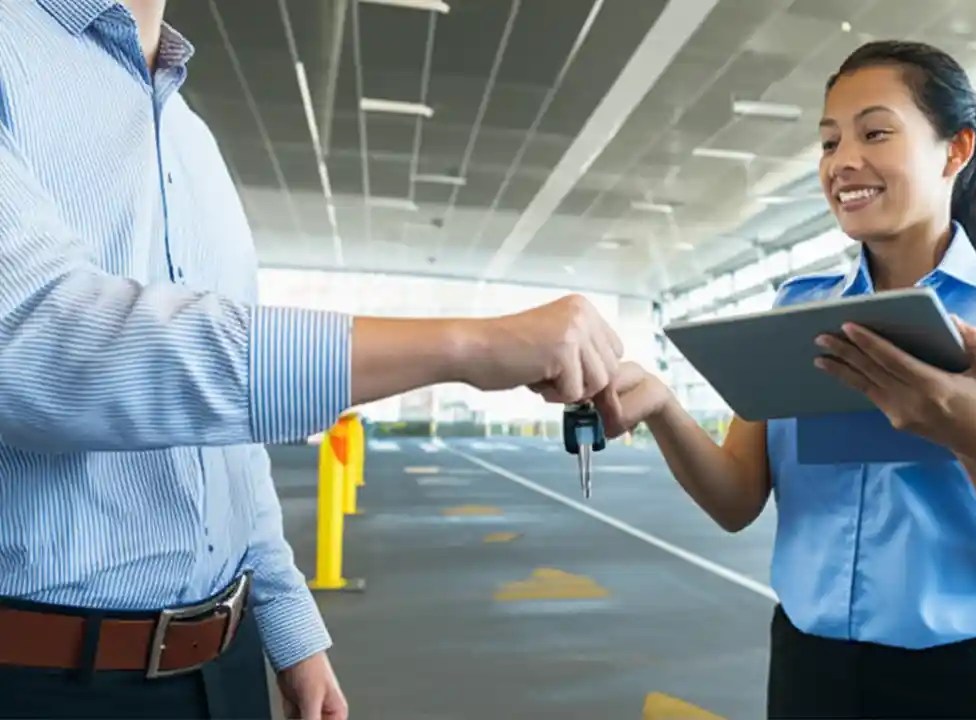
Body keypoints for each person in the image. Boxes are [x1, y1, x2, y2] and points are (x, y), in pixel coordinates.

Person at [0, 1, 623, 718]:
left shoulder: (192, 140)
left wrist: (286, 621)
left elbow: (226, 432)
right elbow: (41, 341)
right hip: (36, 676)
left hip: (223, 663)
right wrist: (466, 344)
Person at [594, 40, 976, 719]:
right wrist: (661, 407)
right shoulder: (797, 311)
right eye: (830, 142)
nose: (842, 161)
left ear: (955, 151)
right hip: (811, 675)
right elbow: (735, 499)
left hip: (968, 683)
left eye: (875, 133)